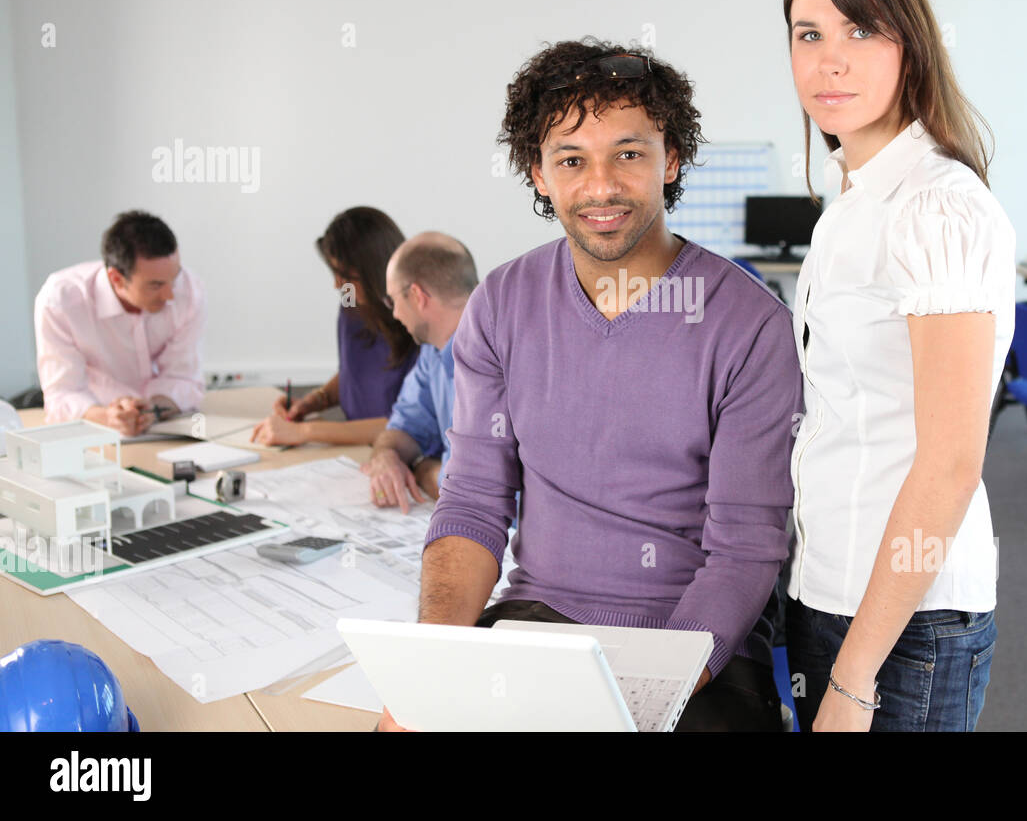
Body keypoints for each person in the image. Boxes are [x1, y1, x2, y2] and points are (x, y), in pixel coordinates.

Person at [377, 39, 802, 733]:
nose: (601, 186)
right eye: (572, 159)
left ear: (673, 159)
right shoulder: (499, 305)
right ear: (538, 173)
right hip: (537, 627)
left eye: (629, 154)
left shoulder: (751, 326)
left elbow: (744, 550)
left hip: (691, 649)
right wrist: (432, 668)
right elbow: (476, 503)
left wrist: (641, 698)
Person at [780, 0, 1016, 732]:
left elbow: (950, 462)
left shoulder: (935, 206)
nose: (829, 60)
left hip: (899, 626)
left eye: (861, 30)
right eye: (809, 34)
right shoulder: (854, 202)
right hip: (836, 592)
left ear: (910, 47)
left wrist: (851, 680)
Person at [251, 207, 418, 448]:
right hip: (356, 450)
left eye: (344, 275)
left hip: (397, 453)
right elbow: (355, 371)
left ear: (374, 270)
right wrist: (315, 400)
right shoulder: (352, 306)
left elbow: (401, 426)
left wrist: (305, 431)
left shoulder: (416, 324)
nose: (337, 285)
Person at [34, 211, 206, 436]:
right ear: (116, 278)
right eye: (155, 285)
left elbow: (183, 379)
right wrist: (108, 417)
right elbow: (62, 395)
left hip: (162, 423)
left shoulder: (189, 291)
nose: (170, 295)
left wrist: (150, 411)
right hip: (95, 425)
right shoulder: (60, 302)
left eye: (173, 278)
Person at [362, 232, 477, 513]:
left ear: (416, 296)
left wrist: (421, 469)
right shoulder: (432, 352)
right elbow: (405, 427)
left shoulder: (496, 359)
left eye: (392, 301)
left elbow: (469, 489)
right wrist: (387, 456)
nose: (395, 315)